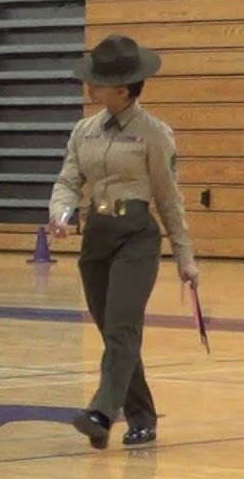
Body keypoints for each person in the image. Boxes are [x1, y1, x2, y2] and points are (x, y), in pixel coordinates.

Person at [48, 34, 200, 449]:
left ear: (122, 89)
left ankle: (101, 411)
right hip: (96, 238)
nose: (89, 86)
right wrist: (60, 215)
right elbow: (68, 181)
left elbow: (170, 200)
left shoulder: (154, 134)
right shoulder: (85, 130)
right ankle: (142, 415)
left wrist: (185, 257)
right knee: (113, 331)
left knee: (121, 326)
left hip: (137, 237)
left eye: (97, 81)